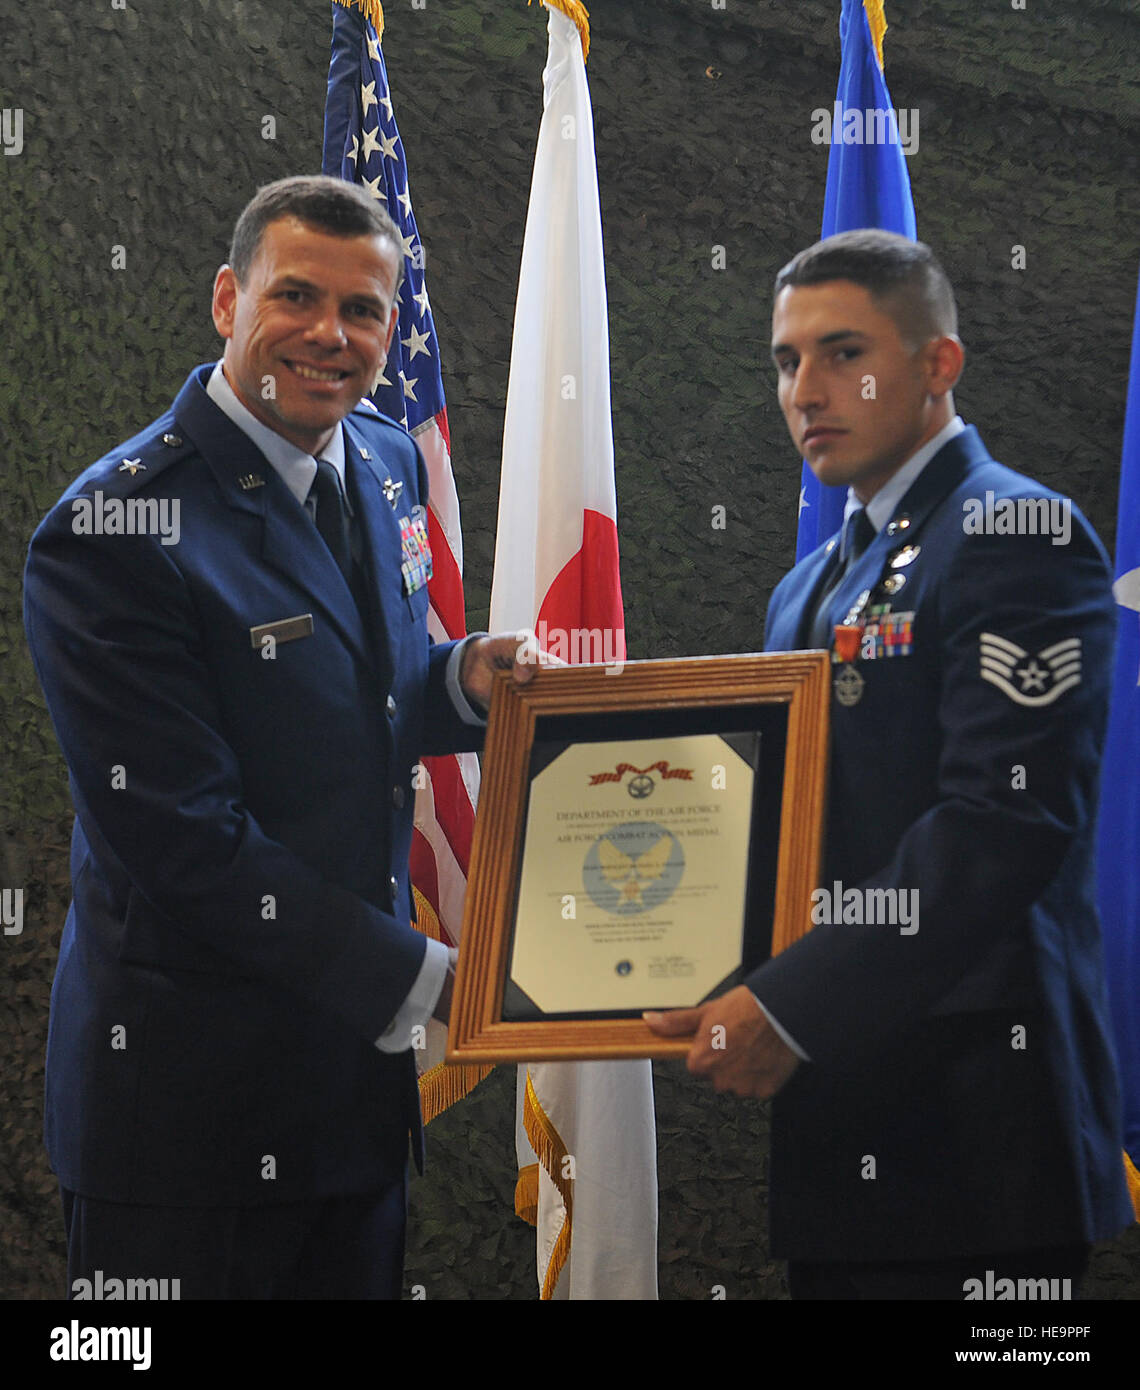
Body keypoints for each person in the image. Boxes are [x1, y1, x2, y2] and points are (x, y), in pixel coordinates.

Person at [24, 175, 527, 1300]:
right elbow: (185, 841)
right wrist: (447, 980)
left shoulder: (386, 459)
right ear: (224, 299)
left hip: (352, 1099)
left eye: (363, 310)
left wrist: (462, 681)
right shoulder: (115, 532)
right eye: (294, 295)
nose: (328, 335)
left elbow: (348, 691)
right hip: (187, 1123)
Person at [647, 229, 1133, 1298]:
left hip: (980, 1138)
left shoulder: (1018, 530)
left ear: (938, 365)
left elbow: (1002, 826)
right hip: (840, 1124)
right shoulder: (809, 583)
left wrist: (786, 1005)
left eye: (842, 352)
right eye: (785, 361)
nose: (806, 390)